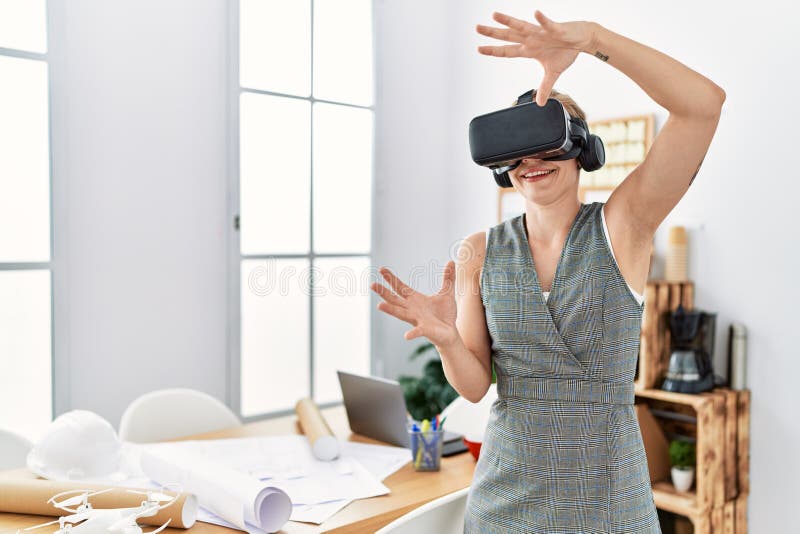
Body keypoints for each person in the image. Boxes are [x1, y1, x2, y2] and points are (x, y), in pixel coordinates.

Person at [371, 9, 724, 533]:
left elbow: (702, 107)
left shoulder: (623, 226)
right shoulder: (479, 251)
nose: (532, 160)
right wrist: (447, 340)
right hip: (507, 503)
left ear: (582, 149)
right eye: (518, 149)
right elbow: (472, 387)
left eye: (549, 142)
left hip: (610, 503)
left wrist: (594, 40)